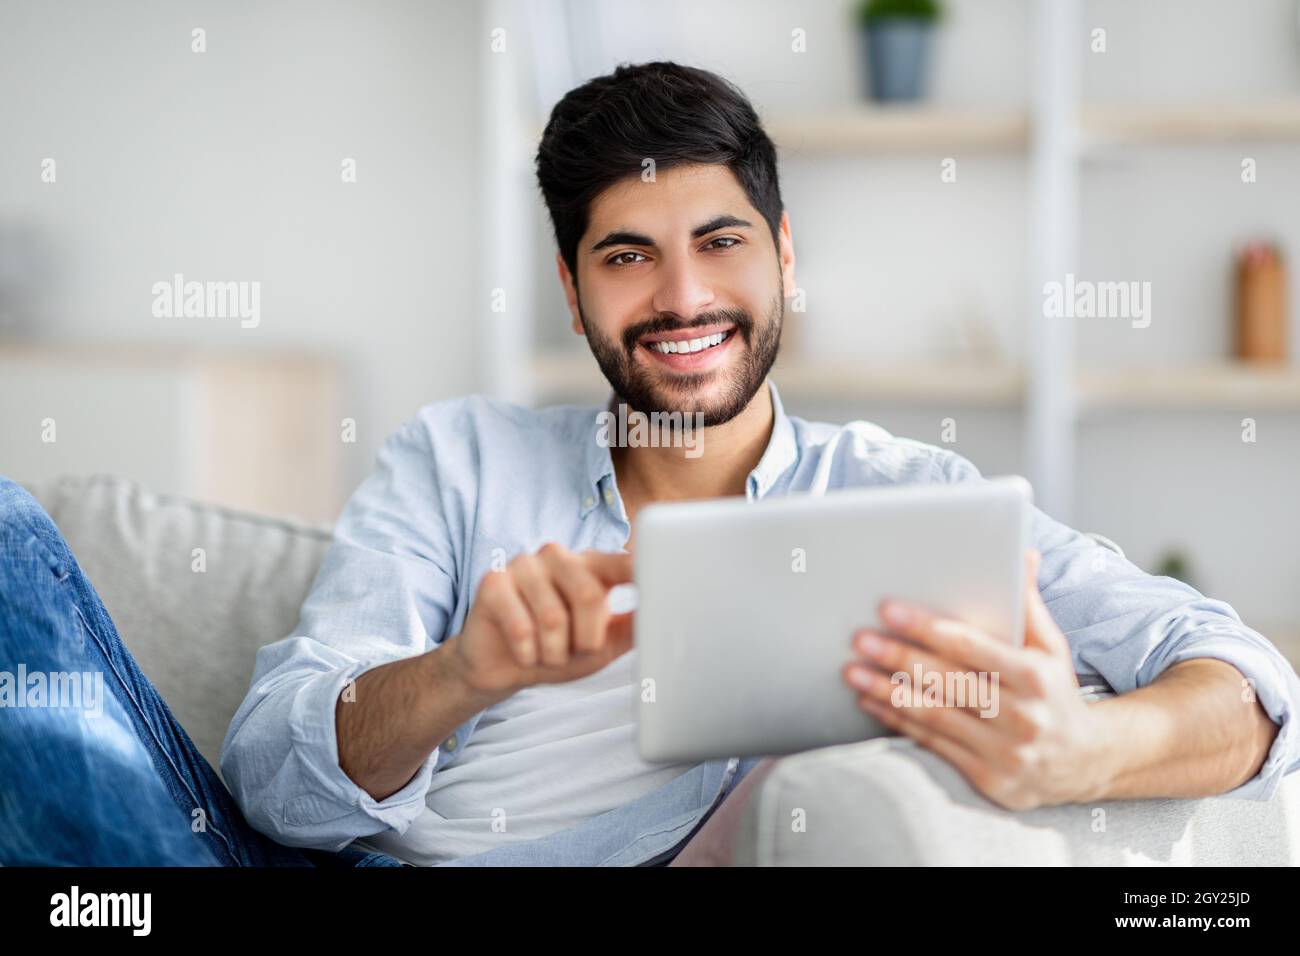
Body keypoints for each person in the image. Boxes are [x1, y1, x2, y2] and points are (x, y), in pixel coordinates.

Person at [3, 62, 1297, 868]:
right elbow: (277, 784)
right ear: (572, 293)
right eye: (627, 255)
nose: (683, 297)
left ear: (785, 258)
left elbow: (1250, 686)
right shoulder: (459, 458)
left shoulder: (902, 498)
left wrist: (1082, 750)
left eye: (721, 242)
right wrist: (465, 673)